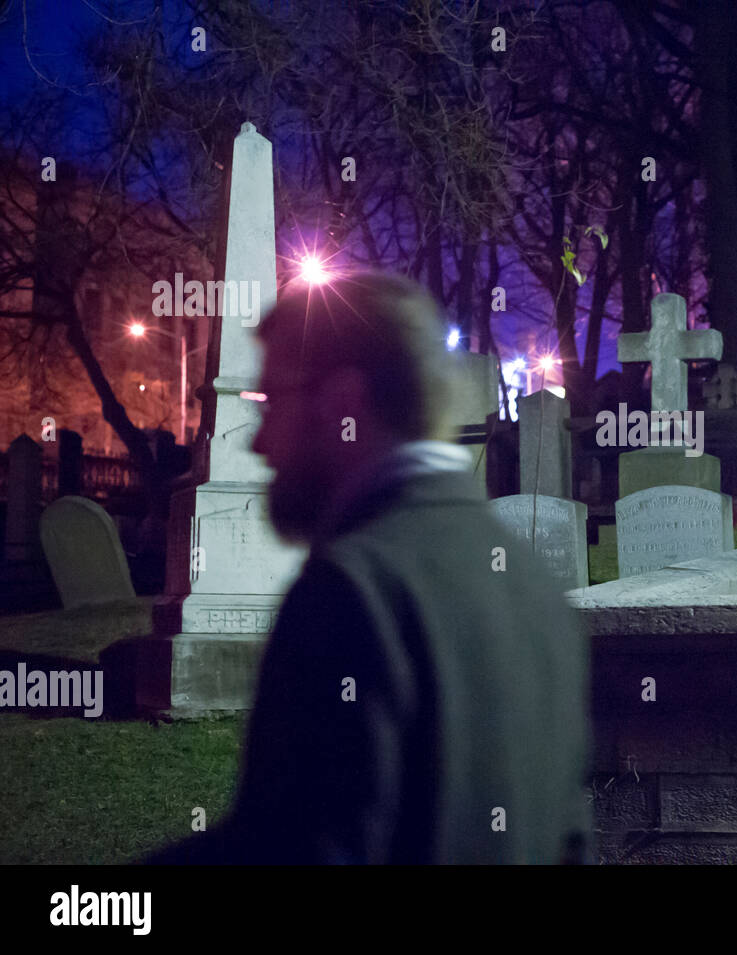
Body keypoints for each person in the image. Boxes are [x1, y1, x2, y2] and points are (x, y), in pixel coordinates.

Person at [146, 272, 592, 864]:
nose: (257, 445)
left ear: (345, 402)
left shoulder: (351, 592)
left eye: (272, 401)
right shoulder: (536, 586)